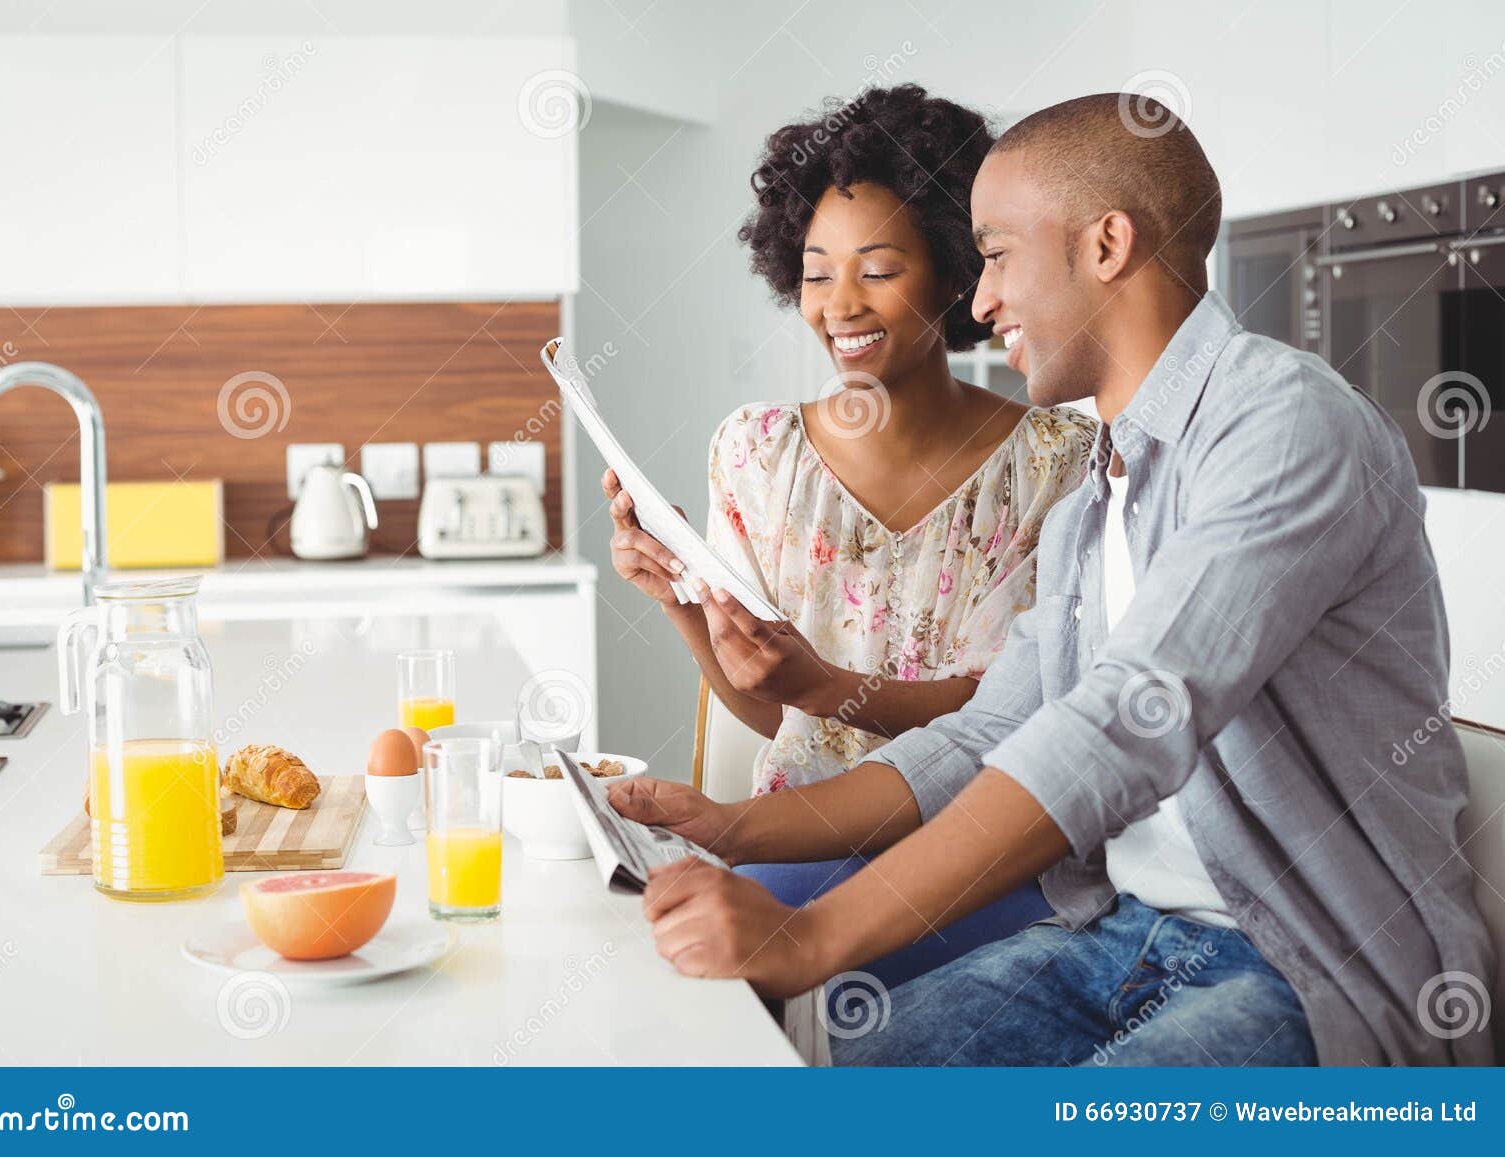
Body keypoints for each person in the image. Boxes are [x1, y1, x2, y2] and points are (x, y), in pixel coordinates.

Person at [609, 93, 1496, 1067]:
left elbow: (1126, 720)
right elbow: (985, 734)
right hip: (1123, 935)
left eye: (995, 255)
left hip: (1309, 964)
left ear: (1106, 245)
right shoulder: (1097, 492)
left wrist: (812, 936)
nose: (981, 300)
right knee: (837, 1075)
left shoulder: (1284, 424)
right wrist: (728, 826)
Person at [602, 85, 1095, 987]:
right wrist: (677, 598)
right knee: (705, 978)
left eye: (877, 270)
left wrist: (826, 686)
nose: (841, 304)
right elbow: (773, 715)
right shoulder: (756, 454)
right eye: (817, 272)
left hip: (982, 854)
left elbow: (1015, 723)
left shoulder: (1056, 460)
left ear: (954, 271)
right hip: (801, 834)